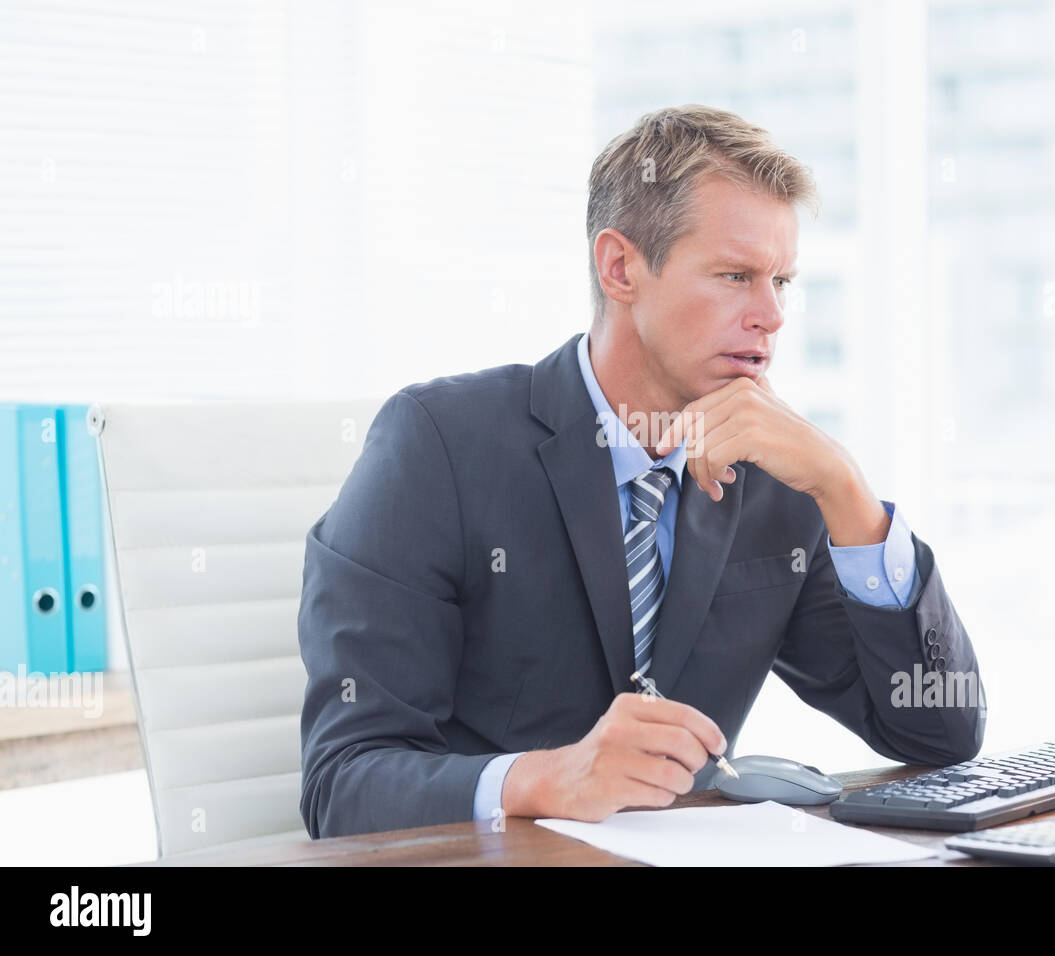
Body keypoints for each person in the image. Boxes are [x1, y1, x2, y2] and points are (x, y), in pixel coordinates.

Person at [298, 104, 986, 839]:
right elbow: (343, 783)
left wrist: (847, 495)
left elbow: (936, 736)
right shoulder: (439, 446)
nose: (772, 315)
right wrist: (542, 777)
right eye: (735, 275)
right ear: (620, 267)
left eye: (782, 281)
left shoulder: (782, 479)